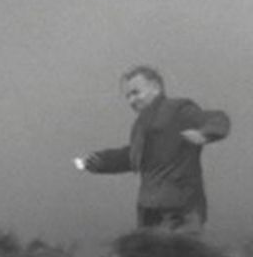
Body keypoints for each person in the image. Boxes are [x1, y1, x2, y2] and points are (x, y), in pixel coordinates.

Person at [78, 65, 230, 235]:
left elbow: (218, 118)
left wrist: (205, 134)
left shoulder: (178, 109)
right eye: (128, 96)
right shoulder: (140, 126)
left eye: (136, 92)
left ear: (156, 88)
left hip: (181, 213)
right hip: (149, 214)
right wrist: (99, 161)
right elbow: (133, 157)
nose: (131, 101)